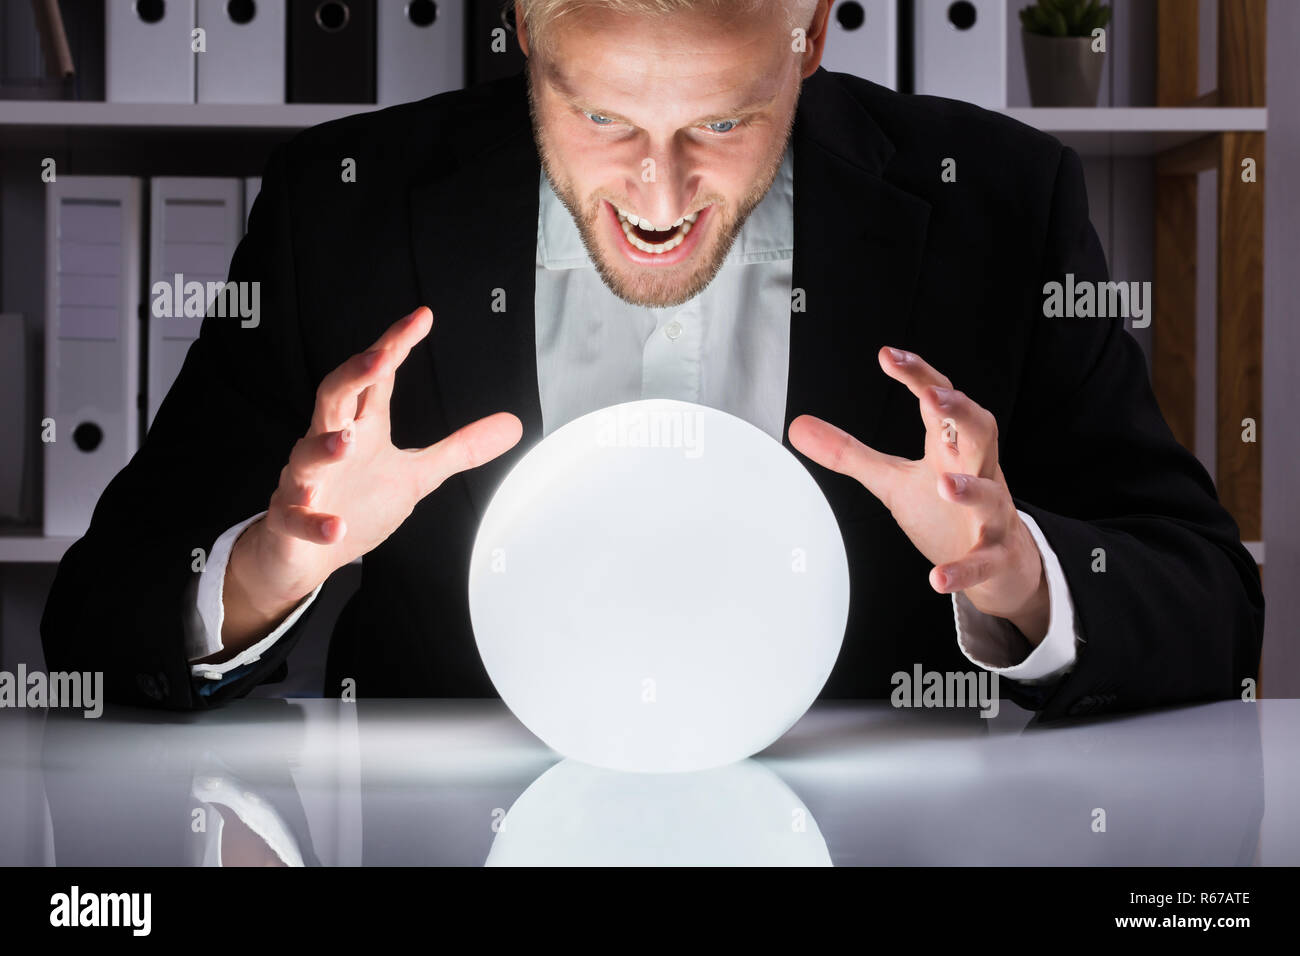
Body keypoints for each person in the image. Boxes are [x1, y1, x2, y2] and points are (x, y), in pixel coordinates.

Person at [42, 0, 1263, 720]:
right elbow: (95, 620)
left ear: (810, 40)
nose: (661, 192)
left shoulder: (997, 202)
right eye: (604, 118)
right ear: (524, 25)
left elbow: (1216, 604)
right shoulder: (344, 207)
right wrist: (274, 556)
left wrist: (1021, 573)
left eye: (722, 122)